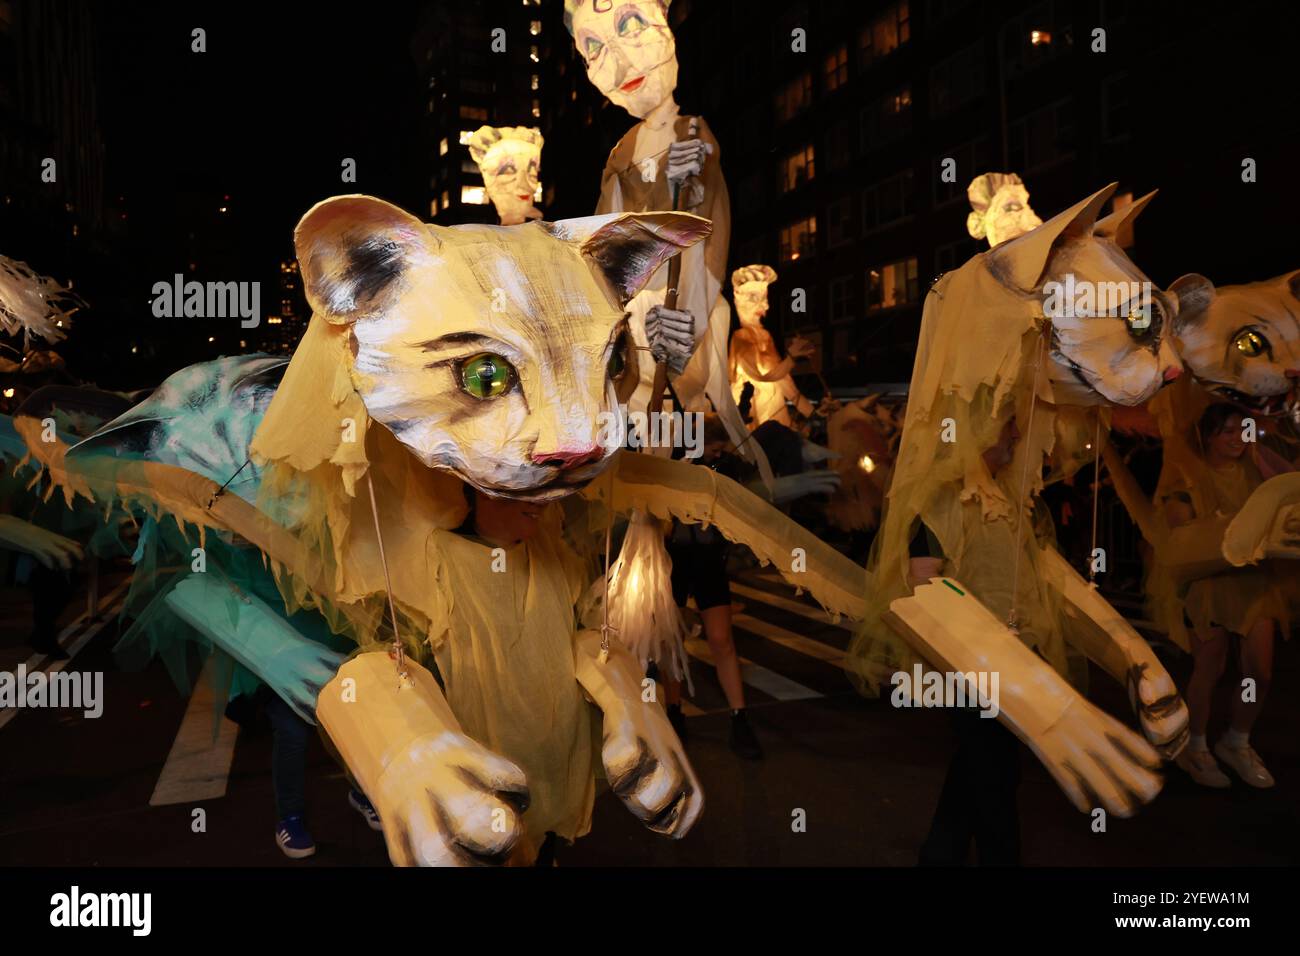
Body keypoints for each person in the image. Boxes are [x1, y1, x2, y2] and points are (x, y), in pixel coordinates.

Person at [907, 414, 1027, 866]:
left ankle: (939, 855)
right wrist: (973, 648)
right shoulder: (942, 498)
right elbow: (925, 583)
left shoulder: (1001, 493)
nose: (1016, 435)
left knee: (984, 766)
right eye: (1007, 427)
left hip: (1006, 657)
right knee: (995, 771)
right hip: (970, 662)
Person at [1162, 403, 1288, 788]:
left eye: (1241, 430)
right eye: (1227, 432)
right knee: (1210, 669)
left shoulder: (1257, 472)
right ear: (1209, 436)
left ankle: (1236, 740)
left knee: (1259, 673)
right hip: (1211, 585)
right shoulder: (1190, 475)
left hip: (1254, 583)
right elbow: (1180, 529)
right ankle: (1195, 746)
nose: (1236, 439)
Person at [661, 415, 762, 759]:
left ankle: (740, 718)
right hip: (672, 562)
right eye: (713, 446)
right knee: (671, 639)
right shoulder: (673, 459)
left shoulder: (726, 468)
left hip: (709, 562)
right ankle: (674, 710)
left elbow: (742, 501)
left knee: (721, 639)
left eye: (720, 447)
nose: (717, 452)